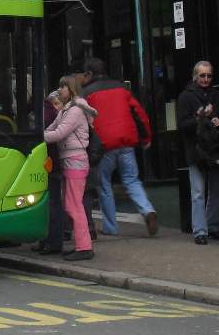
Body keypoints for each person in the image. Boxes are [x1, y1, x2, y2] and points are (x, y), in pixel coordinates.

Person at [82, 57, 158, 237]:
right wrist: (146, 137)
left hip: (103, 144)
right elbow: (139, 113)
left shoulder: (86, 93)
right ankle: (147, 210)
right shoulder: (122, 88)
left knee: (104, 184)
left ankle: (110, 227)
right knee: (131, 180)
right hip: (126, 141)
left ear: (89, 74)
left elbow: (83, 120)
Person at [44, 75, 98, 261]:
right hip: (69, 159)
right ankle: (81, 245)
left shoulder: (75, 111)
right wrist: (43, 133)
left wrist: (39, 137)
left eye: (63, 86)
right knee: (71, 204)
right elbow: (52, 127)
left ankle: (84, 247)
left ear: (72, 89)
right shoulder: (66, 110)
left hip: (75, 160)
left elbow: (59, 133)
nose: (60, 90)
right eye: (59, 86)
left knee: (74, 204)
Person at [177, 60, 219, 244]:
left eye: (209, 75)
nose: (206, 79)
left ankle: (213, 226)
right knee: (198, 192)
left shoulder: (217, 96)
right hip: (196, 150)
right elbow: (183, 125)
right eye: (202, 75)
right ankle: (199, 231)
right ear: (195, 76)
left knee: (216, 190)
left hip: (215, 150)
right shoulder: (186, 97)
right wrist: (201, 117)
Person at [32, 90, 65, 255]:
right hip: (52, 162)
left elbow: (51, 133)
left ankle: (53, 241)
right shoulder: (52, 110)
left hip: (49, 162)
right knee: (51, 202)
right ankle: (48, 240)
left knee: (52, 202)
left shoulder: (45, 110)